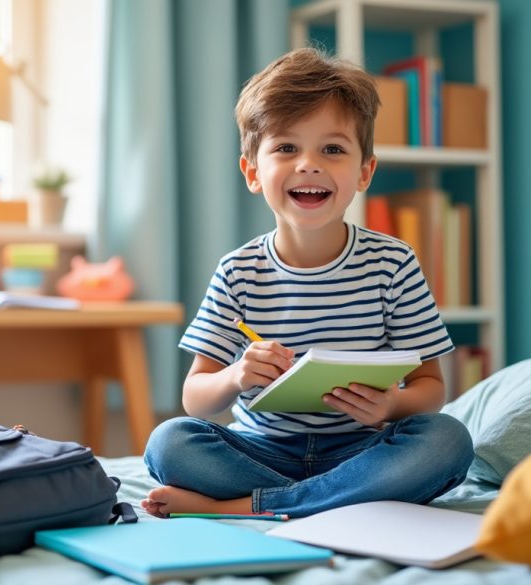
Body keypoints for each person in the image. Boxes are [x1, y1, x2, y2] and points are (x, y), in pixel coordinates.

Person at [141, 48, 474, 519]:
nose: (309, 164)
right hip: (262, 454)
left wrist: (391, 406)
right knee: (169, 442)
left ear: (364, 172)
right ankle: (329, 499)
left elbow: (430, 388)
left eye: (333, 149)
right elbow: (195, 397)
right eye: (286, 148)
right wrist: (236, 376)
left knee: (446, 439)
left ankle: (245, 508)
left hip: (361, 452)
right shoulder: (237, 271)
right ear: (253, 172)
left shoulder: (394, 263)